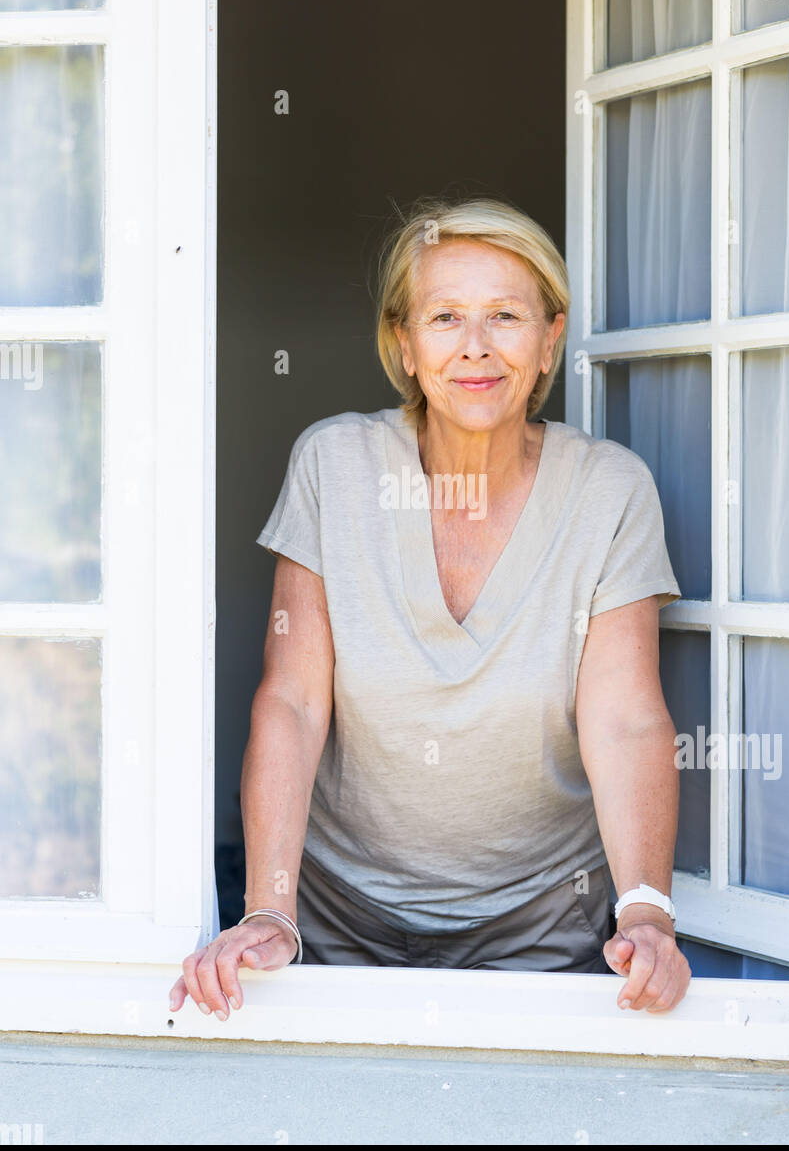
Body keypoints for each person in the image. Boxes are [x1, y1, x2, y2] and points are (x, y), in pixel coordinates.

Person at [169, 196, 691, 1021]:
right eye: (445, 317)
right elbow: (294, 701)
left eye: (506, 316)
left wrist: (647, 914)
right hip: (338, 917)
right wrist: (270, 911)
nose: (475, 346)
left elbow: (625, 720)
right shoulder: (335, 465)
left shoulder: (609, 490)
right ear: (404, 346)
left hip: (543, 931)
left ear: (550, 338)